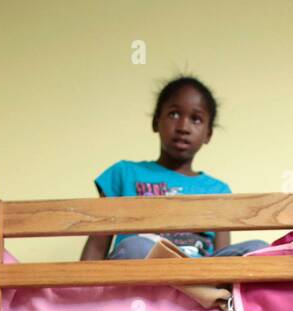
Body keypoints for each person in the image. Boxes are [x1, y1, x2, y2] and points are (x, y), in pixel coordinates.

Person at [80, 75, 267, 261]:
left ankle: (193, 288)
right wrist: (79, 290)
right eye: (174, 114)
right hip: (141, 270)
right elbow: (97, 246)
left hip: (198, 276)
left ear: (208, 134)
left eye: (196, 119)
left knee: (259, 248)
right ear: (156, 122)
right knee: (135, 246)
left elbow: (223, 259)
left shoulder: (219, 190)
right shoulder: (124, 173)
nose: (183, 127)